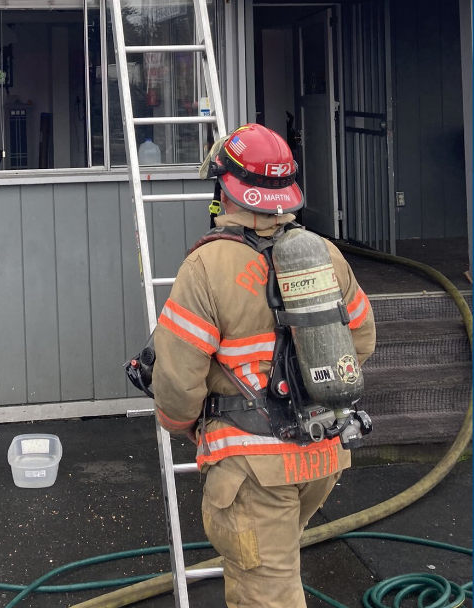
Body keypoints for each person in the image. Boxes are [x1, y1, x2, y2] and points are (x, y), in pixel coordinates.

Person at [146, 123, 376, 607]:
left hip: (253, 468)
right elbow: (362, 339)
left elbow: (176, 377)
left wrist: (182, 424)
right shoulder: (325, 256)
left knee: (266, 596)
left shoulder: (207, 268)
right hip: (321, 456)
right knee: (277, 569)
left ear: (224, 189)